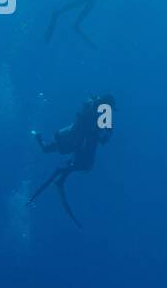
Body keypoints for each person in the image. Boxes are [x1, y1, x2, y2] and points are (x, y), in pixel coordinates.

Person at [28, 94, 115, 227]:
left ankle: (39, 138)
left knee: (47, 149)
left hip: (71, 135)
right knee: (85, 165)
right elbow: (103, 138)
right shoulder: (105, 109)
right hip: (80, 140)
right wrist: (108, 132)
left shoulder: (93, 103)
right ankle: (61, 174)